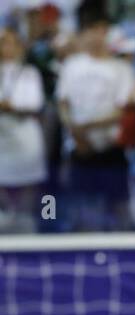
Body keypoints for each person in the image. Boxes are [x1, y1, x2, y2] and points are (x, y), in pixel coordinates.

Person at [55, 6, 134, 232]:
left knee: (119, 215)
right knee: (83, 215)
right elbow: (63, 103)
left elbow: (122, 111)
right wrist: (76, 133)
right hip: (79, 151)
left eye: (102, 30)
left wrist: (86, 127)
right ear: (83, 33)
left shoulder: (121, 68)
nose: (96, 35)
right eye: (91, 30)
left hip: (112, 151)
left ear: (107, 32)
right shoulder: (71, 66)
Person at [0, 27, 47, 235]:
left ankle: (30, 235)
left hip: (25, 142)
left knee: (28, 199)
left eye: (8, 42)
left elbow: (33, 103)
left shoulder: (29, 73)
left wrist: (9, 106)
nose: (4, 47)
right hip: (2, 140)